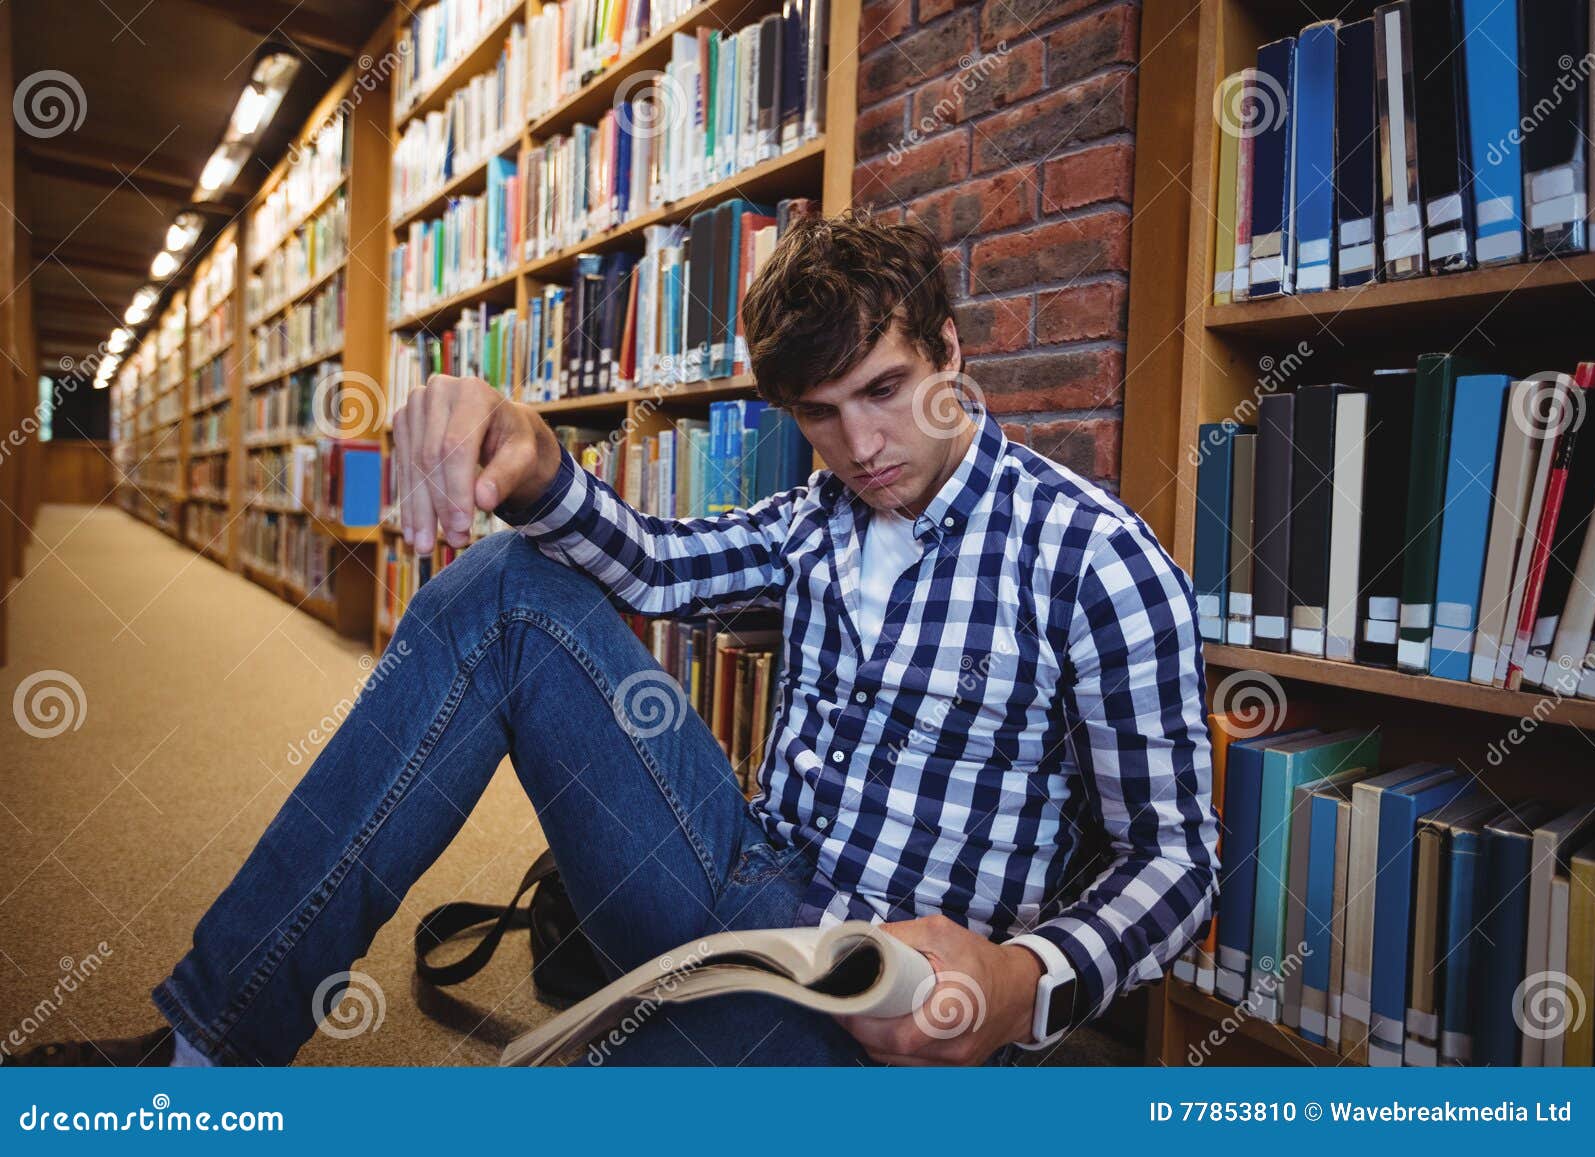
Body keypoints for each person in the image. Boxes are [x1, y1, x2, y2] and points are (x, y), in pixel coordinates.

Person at [19, 212, 1216, 1067]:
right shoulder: (820, 515)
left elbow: (1176, 860)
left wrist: (1026, 977)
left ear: (953, 353)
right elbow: (649, 562)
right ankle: (204, 1050)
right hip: (745, 888)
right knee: (509, 586)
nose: (863, 446)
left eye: (889, 388)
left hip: (884, 996)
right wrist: (534, 459)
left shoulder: (1093, 559)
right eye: (819, 414)